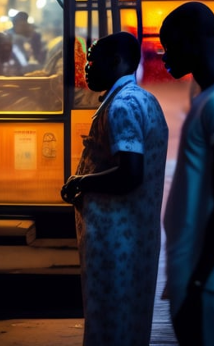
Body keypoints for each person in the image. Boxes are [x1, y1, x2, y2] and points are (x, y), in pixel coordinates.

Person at [60, 32, 169, 346]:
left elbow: (129, 173)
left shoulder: (122, 105)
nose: (87, 68)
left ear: (118, 62)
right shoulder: (143, 99)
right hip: (135, 238)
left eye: (94, 61)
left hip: (116, 241)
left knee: (109, 323)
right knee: (129, 323)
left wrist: (80, 182)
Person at [159, 2, 214, 345]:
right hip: (192, 275)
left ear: (191, 41)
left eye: (169, 46)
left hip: (206, 284)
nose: (164, 56)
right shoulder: (205, 101)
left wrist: (198, 282)